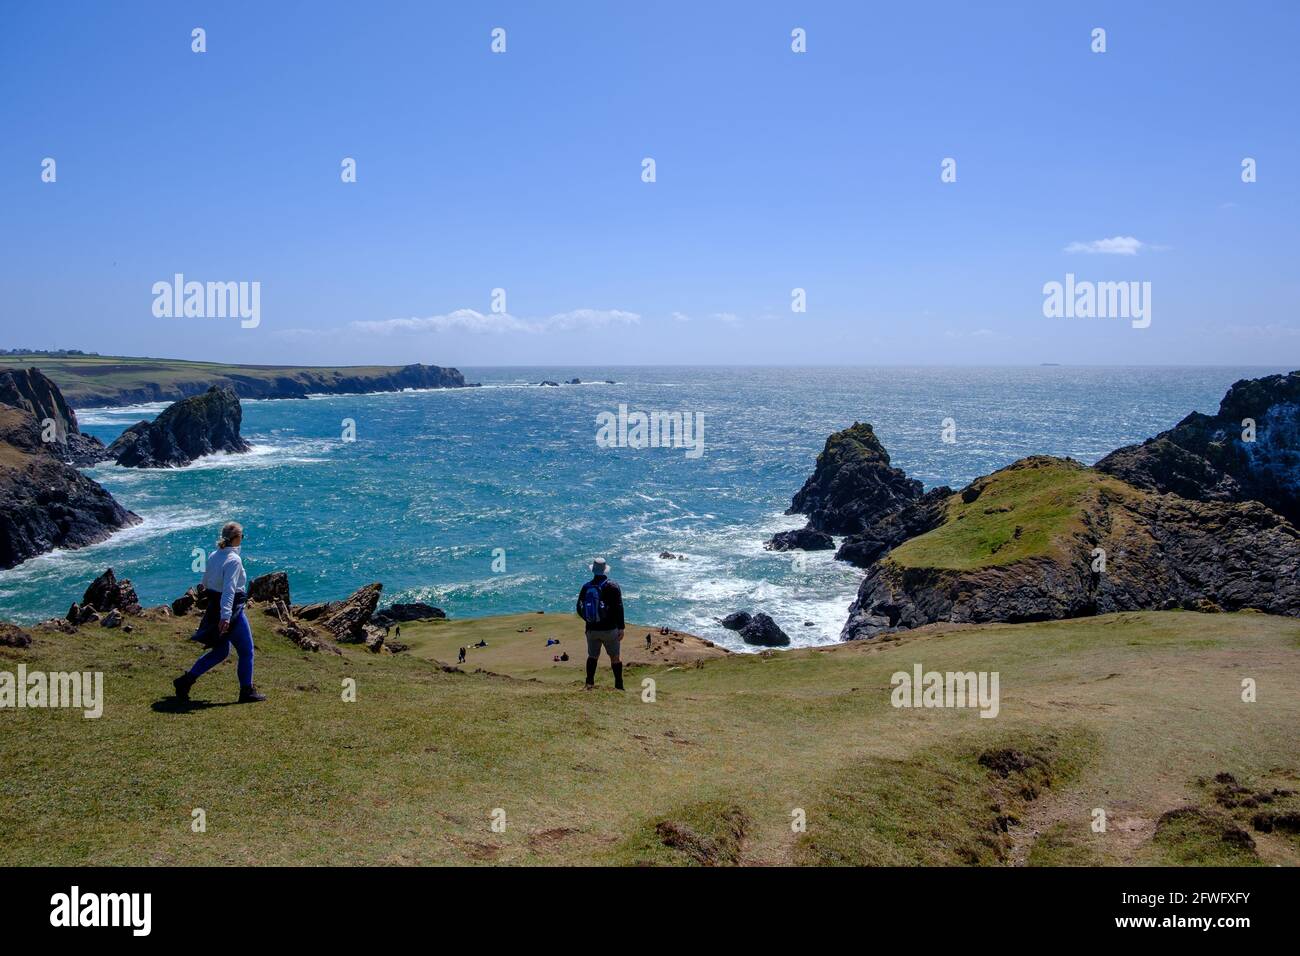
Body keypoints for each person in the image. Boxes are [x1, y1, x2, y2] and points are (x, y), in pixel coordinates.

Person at [172, 522, 266, 704]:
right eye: (242, 536)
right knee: (247, 651)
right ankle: (246, 691)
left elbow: (205, 582)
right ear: (236, 538)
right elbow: (230, 590)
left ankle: (185, 681)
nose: (243, 539)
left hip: (214, 606)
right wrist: (226, 616)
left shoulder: (215, 555)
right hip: (231, 610)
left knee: (221, 651)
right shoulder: (233, 560)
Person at [575, 557, 625, 690]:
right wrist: (621, 628)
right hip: (610, 629)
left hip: (592, 629)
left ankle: (589, 683)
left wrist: (589, 620)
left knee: (592, 656)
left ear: (593, 570)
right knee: (615, 657)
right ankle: (619, 686)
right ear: (604, 570)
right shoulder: (613, 586)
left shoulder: (586, 587)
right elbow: (619, 608)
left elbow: (579, 608)